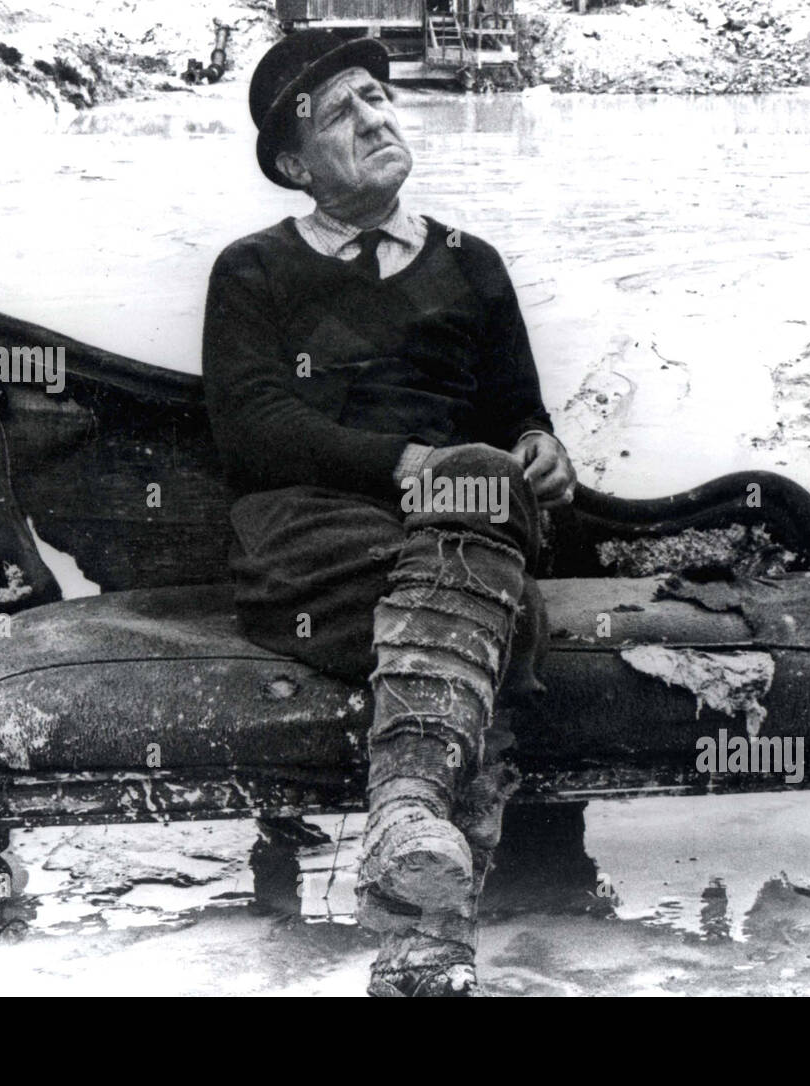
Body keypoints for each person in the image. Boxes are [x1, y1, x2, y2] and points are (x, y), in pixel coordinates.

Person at [203, 30, 574, 996]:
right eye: (341, 111)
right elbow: (252, 428)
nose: (375, 117)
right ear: (294, 163)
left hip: (465, 520)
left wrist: (543, 448)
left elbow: (516, 414)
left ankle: (409, 833)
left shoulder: (471, 263)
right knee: (496, 614)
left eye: (377, 97)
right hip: (313, 538)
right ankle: (430, 929)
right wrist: (405, 463)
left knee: (484, 490)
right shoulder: (253, 272)